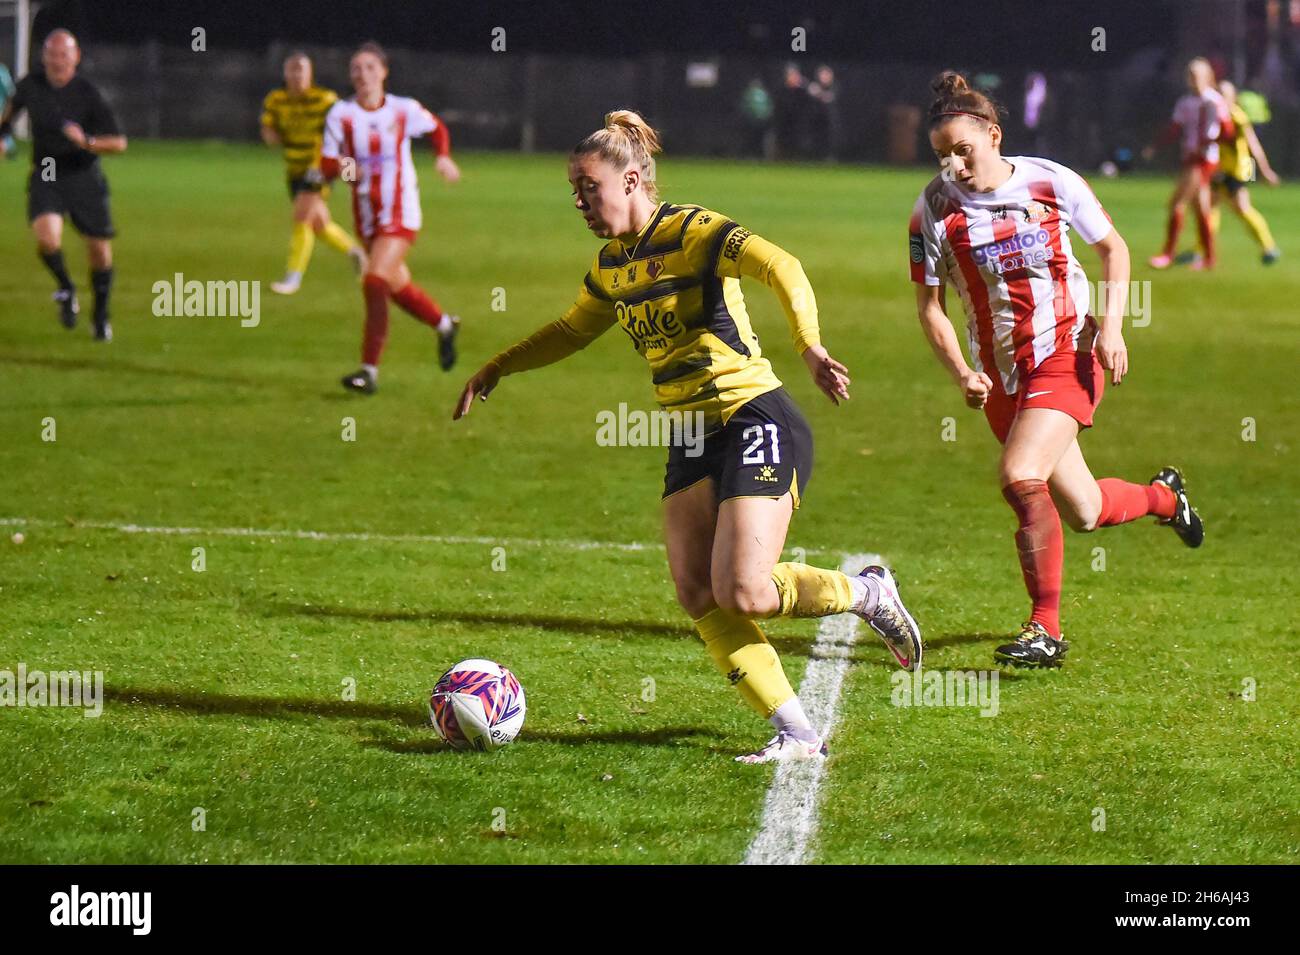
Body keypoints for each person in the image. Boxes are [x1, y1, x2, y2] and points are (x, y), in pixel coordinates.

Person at [454, 110, 923, 764]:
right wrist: (499, 364)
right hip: (691, 436)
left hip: (754, 417)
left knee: (744, 589)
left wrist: (809, 346)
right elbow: (570, 329)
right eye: (575, 192)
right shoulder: (613, 265)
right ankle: (797, 732)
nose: (582, 202)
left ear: (633, 177)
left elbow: (781, 266)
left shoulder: (695, 231)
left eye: (590, 187)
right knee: (697, 591)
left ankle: (868, 593)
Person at [910, 72, 1203, 669]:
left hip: (1068, 351)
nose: (954, 167)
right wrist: (963, 371)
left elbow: (1114, 250)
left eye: (962, 151)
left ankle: (1044, 628)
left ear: (992, 136)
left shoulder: (1051, 180)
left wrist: (1114, 326)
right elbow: (930, 308)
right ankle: (1165, 499)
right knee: (1087, 510)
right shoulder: (932, 209)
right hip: (1001, 376)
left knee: (1020, 476)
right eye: (942, 156)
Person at [319, 42, 462, 394]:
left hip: (401, 212)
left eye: (370, 67)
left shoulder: (402, 110)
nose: (363, 75)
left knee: (373, 280)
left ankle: (369, 371)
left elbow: (437, 128)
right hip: (366, 216)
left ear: (384, 72)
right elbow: (327, 163)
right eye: (356, 69)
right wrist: (350, 172)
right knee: (395, 287)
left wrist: (442, 156)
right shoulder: (341, 114)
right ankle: (444, 325)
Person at [0, 29, 126, 340]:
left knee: (99, 252)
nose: (57, 61)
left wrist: (87, 141)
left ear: (76, 57)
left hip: (84, 174)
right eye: (52, 55)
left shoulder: (88, 93)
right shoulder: (30, 86)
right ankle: (66, 288)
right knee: (47, 240)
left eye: (64, 55)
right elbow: (6, 121)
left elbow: (119, 143)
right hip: (47, 171)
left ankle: (100, 315)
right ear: (43, 57)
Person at [260, 51, 366, 295]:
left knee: (301, 218)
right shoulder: (276, 100)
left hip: (319, 168)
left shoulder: (324, 100)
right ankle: (355, 251)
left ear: (310, 74)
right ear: (285, 73)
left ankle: (292, 278)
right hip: (294, 169)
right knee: (319, 224)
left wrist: (347, 166)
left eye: (302, 70)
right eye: (292, 70)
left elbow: (346, 128)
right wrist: (270, 135)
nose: (297, 75)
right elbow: (268, 130)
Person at [1144, 58, 1231, 271]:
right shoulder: (1186, 102)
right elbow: (1174, 128)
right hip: (1189, 158)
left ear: (1207, 77)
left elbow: (1228, 131)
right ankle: (1210, 258)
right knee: (1201, 208)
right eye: (1190, 75)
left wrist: (1208, 142)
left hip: (1202, 160)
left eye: (1196, 75)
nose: (1192, 80)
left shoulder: (1214, 101)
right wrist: (1155, 146)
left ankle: (1167, 254)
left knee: (1178, 203)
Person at [1208, 80, 1281, 265]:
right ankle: (1203, 250)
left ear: (1233, 98)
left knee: (1242, 207)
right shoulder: (1215, 116)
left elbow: (1253, 145)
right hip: (1220, 169)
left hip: (1236, 170)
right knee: (1211, 207)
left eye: (1225, 95)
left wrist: (1265, 170)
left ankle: (1269, 246)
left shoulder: (1237, 117)